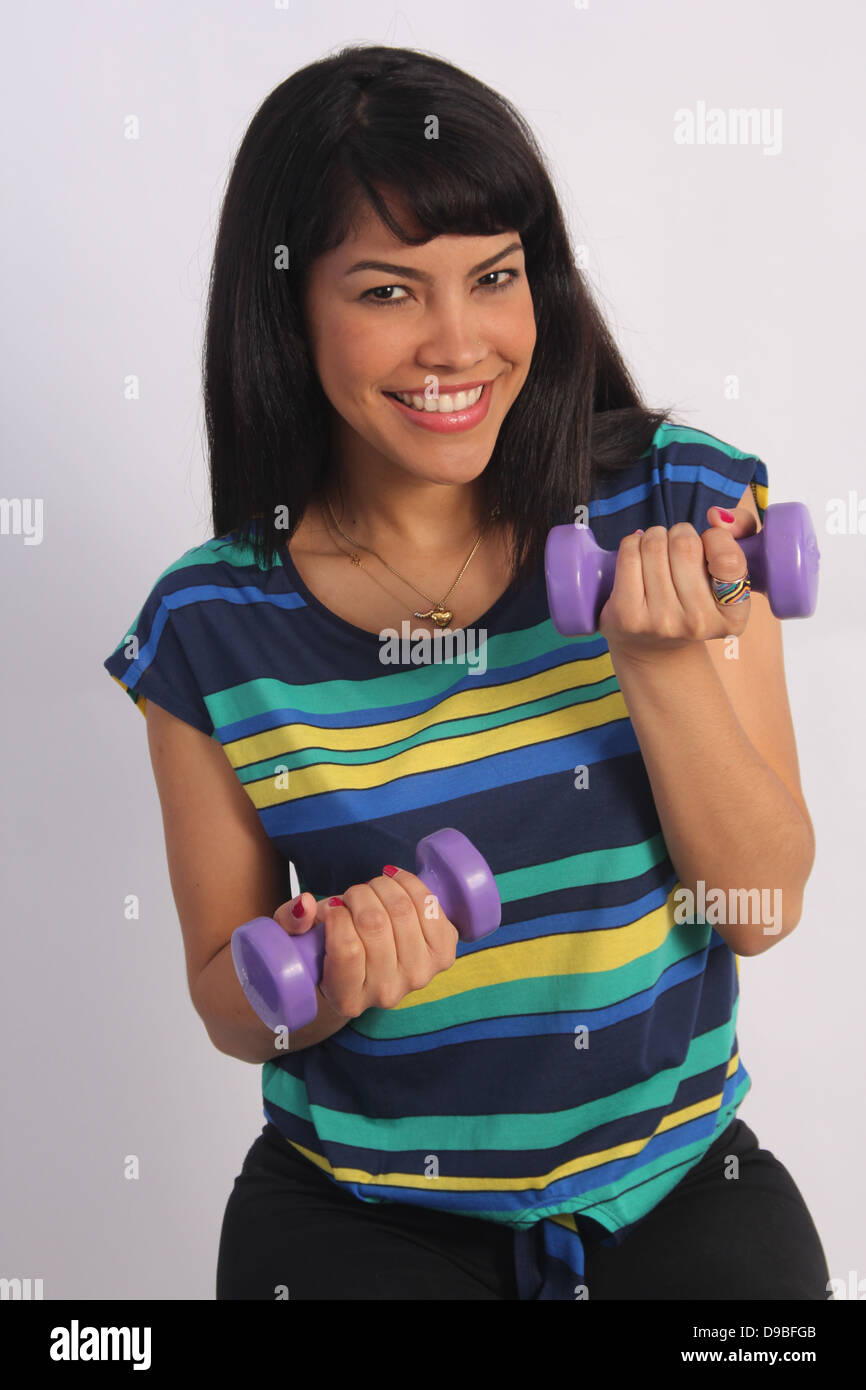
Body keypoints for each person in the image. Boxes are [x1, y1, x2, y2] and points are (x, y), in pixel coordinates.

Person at [103, 44, 830, 1300]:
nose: (458, 344)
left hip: (671, 1180)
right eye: (387, 292)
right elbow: (232, 1003)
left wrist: (658, 667)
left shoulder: (681, 506)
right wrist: (326, 973)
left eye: (491, 277)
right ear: (288, 309)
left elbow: (759, 910)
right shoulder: (208, 625)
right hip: (363, 1214)